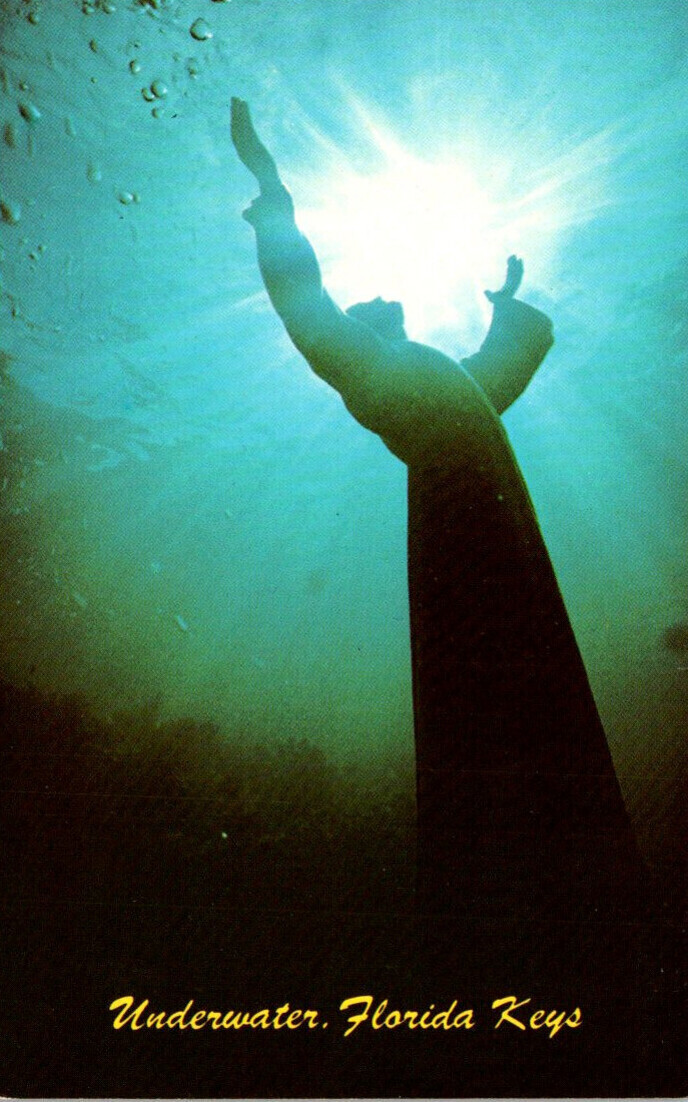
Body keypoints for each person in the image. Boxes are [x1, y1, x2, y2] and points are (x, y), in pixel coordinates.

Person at [230, 97, 643, 917]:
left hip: (496, 541)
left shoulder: (436, 380)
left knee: (534, 709)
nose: (378, 295)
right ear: (352, 330)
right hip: (468, 554)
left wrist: (507, 307)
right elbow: (300, 292)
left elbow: (497, 372)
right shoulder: (368, 372)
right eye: (364, 302)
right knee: (494, 716)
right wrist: (272, 190)